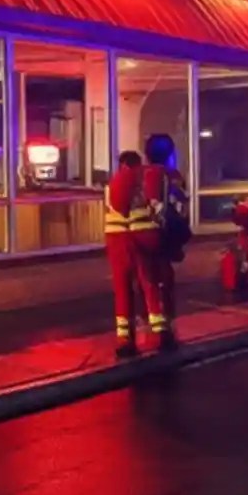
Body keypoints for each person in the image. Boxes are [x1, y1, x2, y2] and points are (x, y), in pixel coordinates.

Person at [116, 134, 188, 351]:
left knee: (142, 282)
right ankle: (165, 331)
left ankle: (142, 330)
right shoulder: (172, 176)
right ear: (170, 155)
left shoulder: (139, 174)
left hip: (137, 237)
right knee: (163, 281)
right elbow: (178, 210)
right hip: (160, 236)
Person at [105, 150, 143, 354]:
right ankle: (153, 330)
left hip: (114, 241)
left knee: (121, 288)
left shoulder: (112, 183)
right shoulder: (132, 182)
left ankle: (124, 336)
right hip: (131, 238)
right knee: (147, 283)